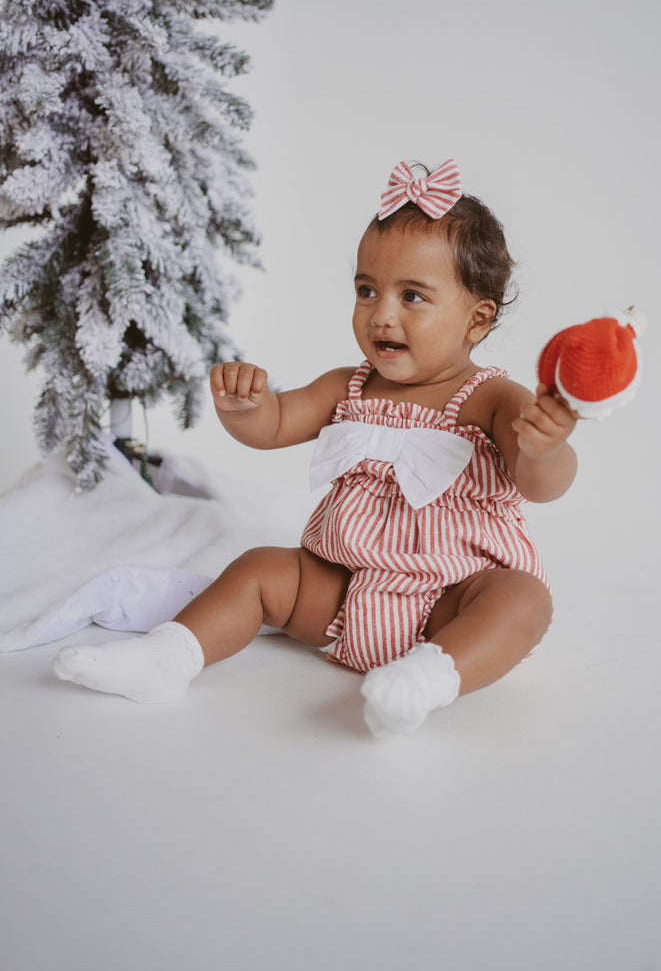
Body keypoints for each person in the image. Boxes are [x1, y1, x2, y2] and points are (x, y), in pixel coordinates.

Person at [53, 160, 579, 736]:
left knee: (522, 599)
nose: (381, 313)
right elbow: (275, 425)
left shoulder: (495, 398)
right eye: (367, 290)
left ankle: (425, 680)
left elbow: (540, 484)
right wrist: (247, 409)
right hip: (345, 593)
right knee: (261, 569)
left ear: (476, 320)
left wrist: (544, 448)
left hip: (450, 602)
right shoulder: (346, 385)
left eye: (412, 296)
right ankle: (169, 656)